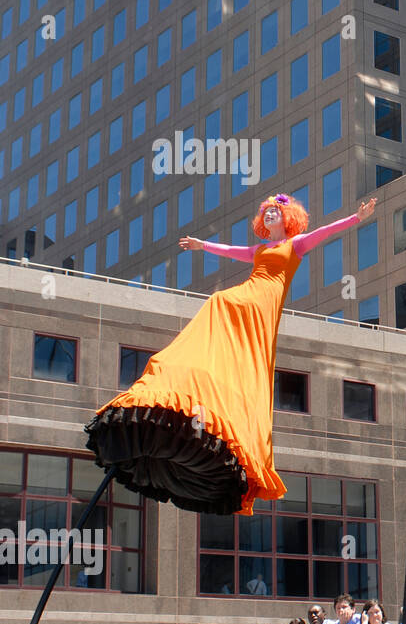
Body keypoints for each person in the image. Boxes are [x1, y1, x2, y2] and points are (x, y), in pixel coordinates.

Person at [85, 195, 377, 515]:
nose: (269, 216)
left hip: (262, 304)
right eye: (266, 212)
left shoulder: (295, 245)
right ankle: (212, 363)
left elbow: (324, 232)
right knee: (218, 302)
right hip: (248, 294)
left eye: (275, 212)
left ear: (288, 218)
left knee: (220, 302)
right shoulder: (259, 250)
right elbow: (229, 251)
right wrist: (201, 245)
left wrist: (355, 218)